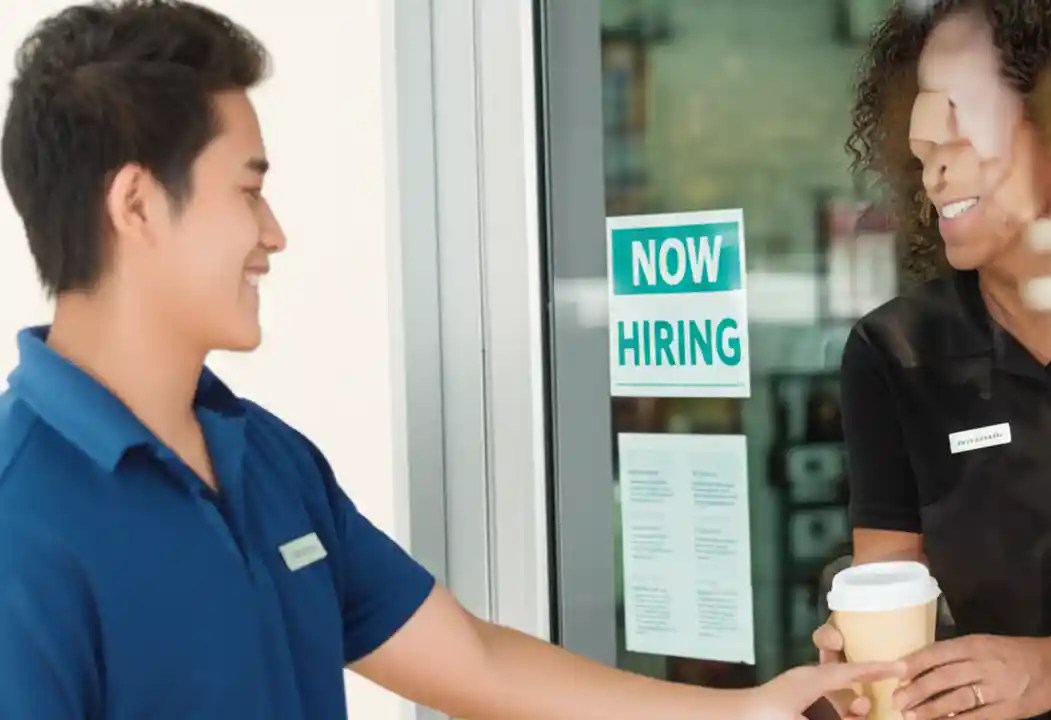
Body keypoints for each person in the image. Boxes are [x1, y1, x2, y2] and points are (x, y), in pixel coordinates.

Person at [0, 2, 900, 718]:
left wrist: (741, 715)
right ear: (138, 204)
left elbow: (470, 662)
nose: (274, 234)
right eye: (249, 189)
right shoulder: (22, 522)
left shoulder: (264, 458)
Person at [811, 2, 1051, 719]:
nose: (934, 173)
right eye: (924, 152)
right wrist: (863, 675)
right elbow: (891, 585)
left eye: (963, 129)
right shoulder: (896, 354)